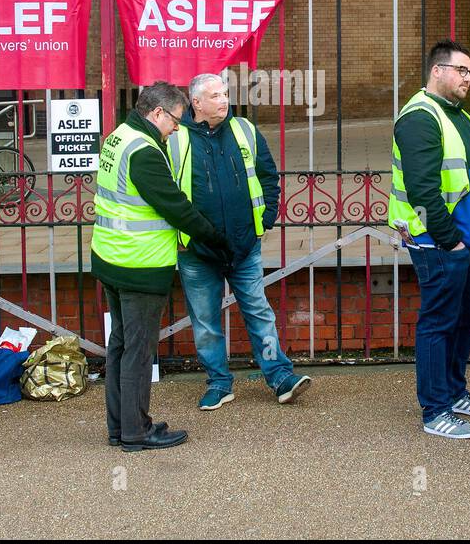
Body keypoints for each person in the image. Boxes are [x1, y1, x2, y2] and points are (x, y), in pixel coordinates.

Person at [92, 82, 233, 452]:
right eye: (174, 120)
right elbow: (174, 206)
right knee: (138, 352)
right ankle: (137, 432)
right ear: (157, 114)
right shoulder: (144, 152)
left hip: (111, 257)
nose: (176, 128)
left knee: (120, 346)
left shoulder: (118, 137)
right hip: (139, 264)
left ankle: (119, 427)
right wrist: (216, 237)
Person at [169, 73, 310, 410]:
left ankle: (280, 377)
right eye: (215, 95)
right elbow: (166, 191)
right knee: (205, 322)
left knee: (259, 312)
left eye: (226, 93)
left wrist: (266, 217)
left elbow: (267, 174)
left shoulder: (244, 129)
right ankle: (219, 383)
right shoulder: (174, 137)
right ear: (197, 103)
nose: (224, 100)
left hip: (245, 244)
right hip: (196, 249)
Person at [389, 40, 470, 439]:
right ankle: (436, 410)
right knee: (438, 321)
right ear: (437, 70)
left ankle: (454, 392)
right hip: (440, 242)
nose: (468, 78)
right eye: (461, 70)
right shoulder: (420, 116)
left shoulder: (456, 114)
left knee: (469, 312)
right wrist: (450, 240)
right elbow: (422, 189)